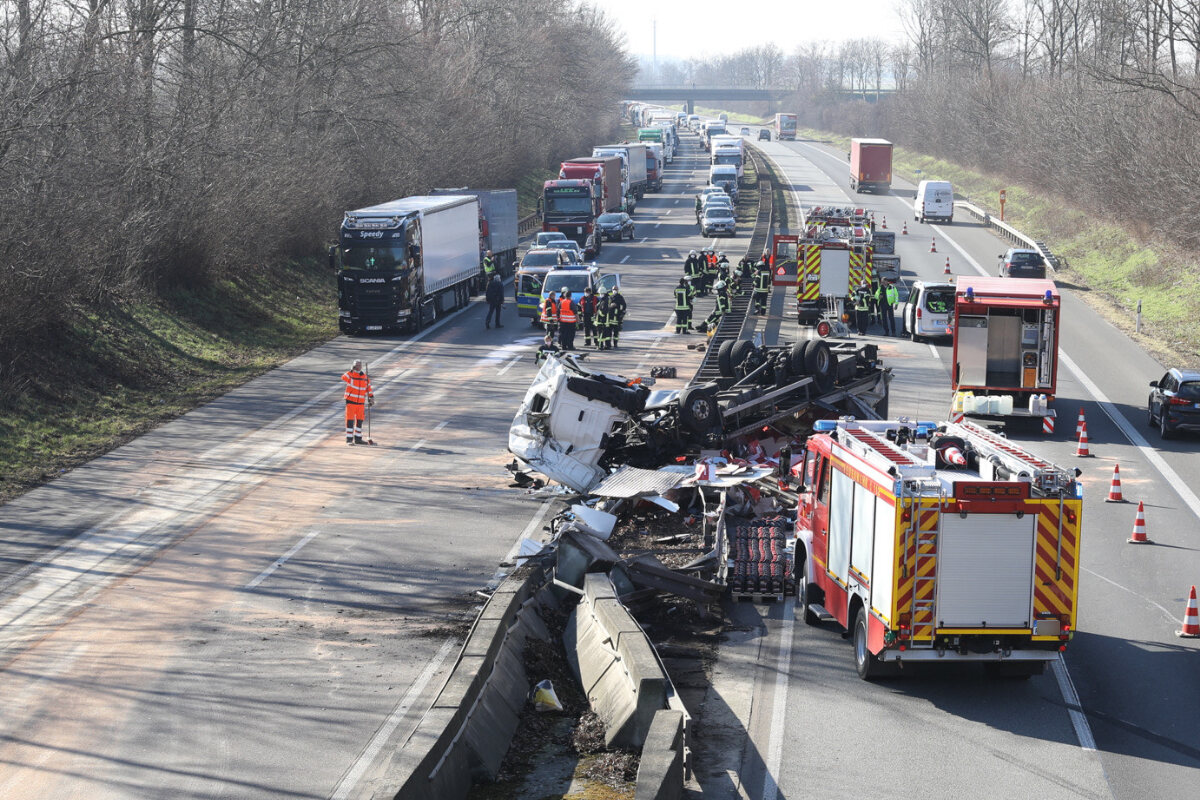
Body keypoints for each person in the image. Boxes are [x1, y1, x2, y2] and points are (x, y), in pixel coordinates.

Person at [341, 359, 374, 445]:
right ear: (354, 366)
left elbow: (369, 389)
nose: (358, 367)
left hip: (360, 403)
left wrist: (371, 398)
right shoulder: (350, 375)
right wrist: (351, 370)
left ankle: (358, 439)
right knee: (350, 421)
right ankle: (349, 440)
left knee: (360, 420)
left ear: (361, 366)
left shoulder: (365, 378)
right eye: (356, 365)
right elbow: (343, 377)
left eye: (359, 365)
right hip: (351, 402)